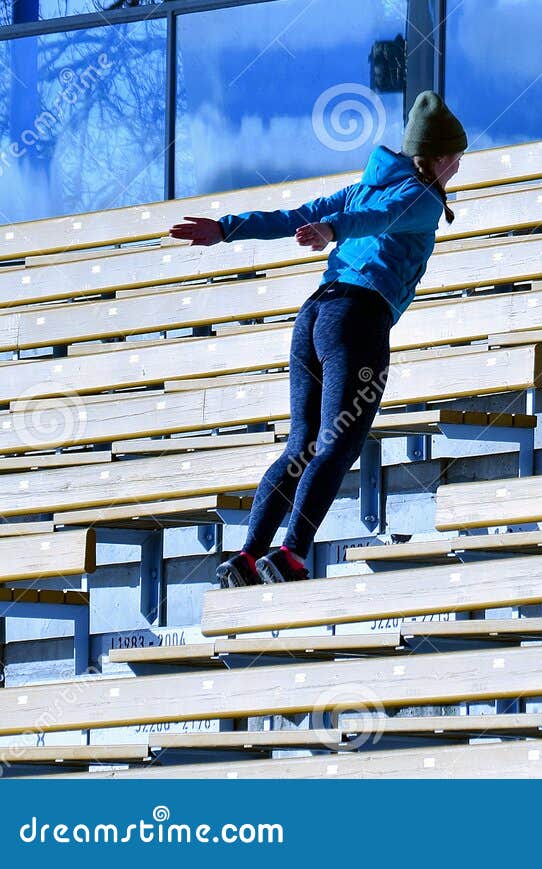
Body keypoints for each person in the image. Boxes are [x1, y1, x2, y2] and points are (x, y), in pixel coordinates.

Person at [169, 91, 468, 586]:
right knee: (338, 440)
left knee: (301, 445)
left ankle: (248, 555)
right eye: (456, 158)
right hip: (357, 319)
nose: (458, 167)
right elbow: (383, 218)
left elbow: (295, 215)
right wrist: (332, 229)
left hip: (313, 317)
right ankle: (291, 553)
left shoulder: (361, 188)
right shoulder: (423, 199)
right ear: (437, 157)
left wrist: (227, 229)